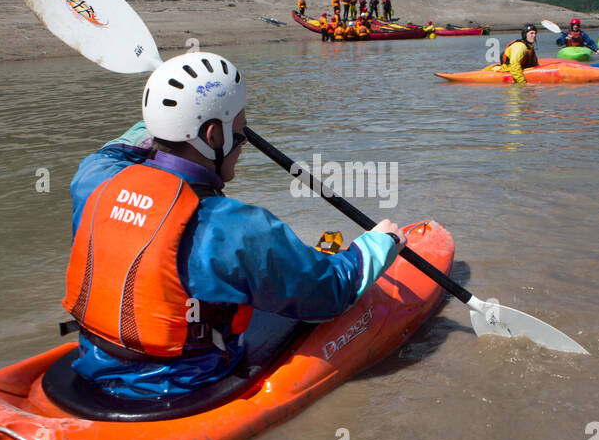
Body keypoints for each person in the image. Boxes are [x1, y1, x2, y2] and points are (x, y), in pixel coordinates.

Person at [65, 54, 408, 397]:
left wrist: (167, 117)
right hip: (184, 381)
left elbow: (118, 149)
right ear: (213, 136)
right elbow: (329, 294)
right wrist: (378, 244)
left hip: (94, 360)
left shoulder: (93, 179)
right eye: (241, 133)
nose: (244, 143)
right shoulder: (236, 226)